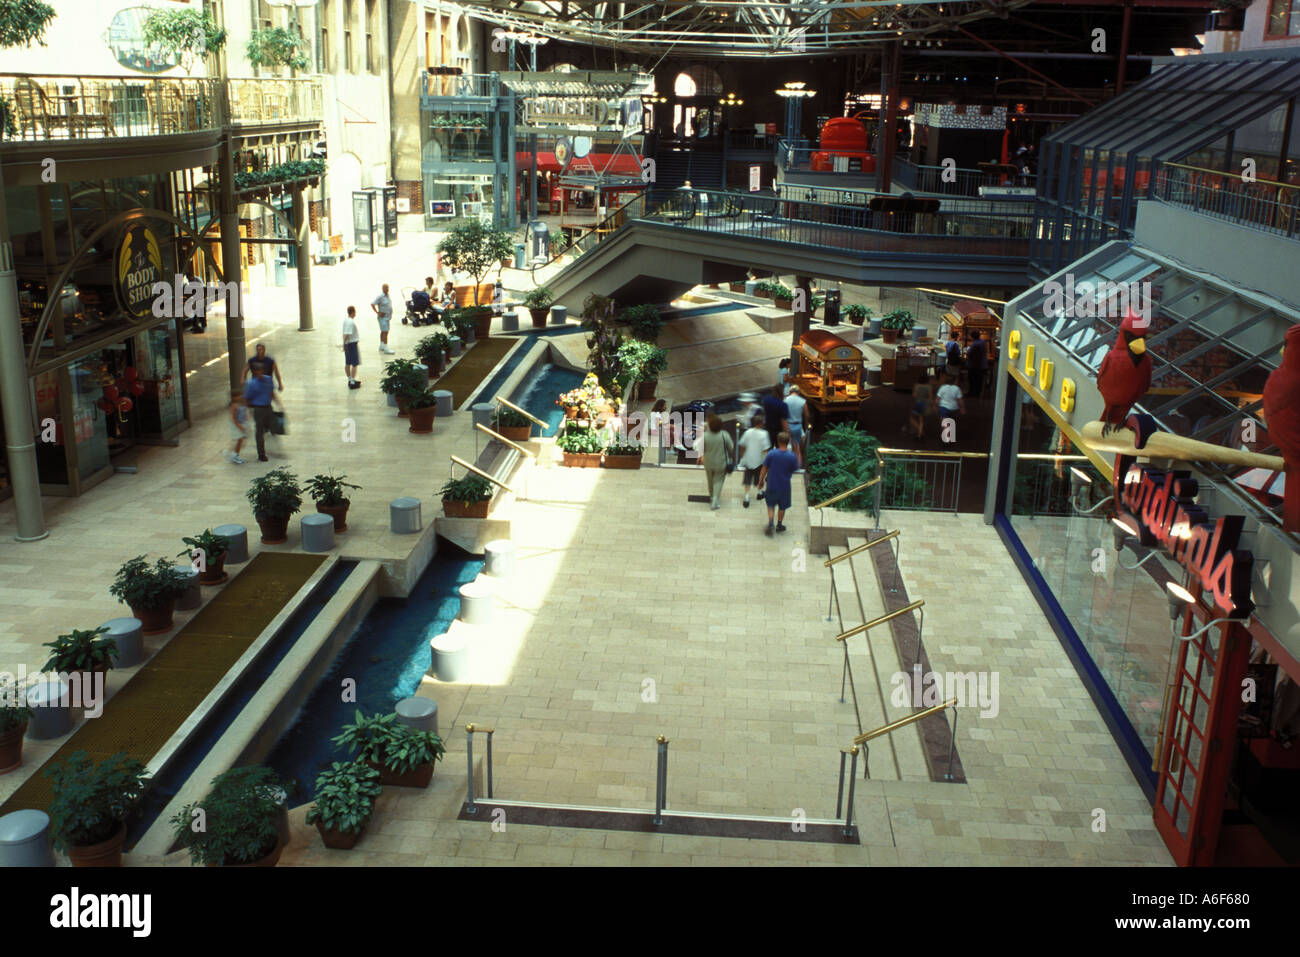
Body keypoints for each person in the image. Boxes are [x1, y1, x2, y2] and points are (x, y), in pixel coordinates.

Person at [759, 432, 799, 536]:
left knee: (771, 504)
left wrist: (761, 481)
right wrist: (797, 451)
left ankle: (771, 523)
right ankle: (779, 524)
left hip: (772, 484)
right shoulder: (791, 456)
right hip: (785, 486)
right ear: (788, 442)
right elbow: (795, 468)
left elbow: (764, 468)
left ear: (778, 441)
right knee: (782, 506)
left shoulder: (771, 454)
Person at [697, 413, 734, 510]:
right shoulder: (724, 435)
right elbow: (731, 448)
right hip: (721, 463)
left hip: (708, 462)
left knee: (710, 480)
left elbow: (699, 448)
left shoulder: (705, 436)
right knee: (718, 481)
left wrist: (700, 458)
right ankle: (715, 500)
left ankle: (711, 497)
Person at [242, 362, 276, 462]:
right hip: (258, 409)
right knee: (259, 431)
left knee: (272, 426)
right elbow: (247, 398)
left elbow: (272, 392)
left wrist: (278, 403)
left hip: (268, 407)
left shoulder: (268, 379)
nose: (260, 372)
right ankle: (261, 454)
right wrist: (248, 411)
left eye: (261, 370)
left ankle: (269, 436)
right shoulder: (251, 383)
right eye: (258, 371)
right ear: (254, 372)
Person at [738, 412, 771, 508]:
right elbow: (766, 449)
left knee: (747, 478)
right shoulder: (764, 434)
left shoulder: (747, 432)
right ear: (761, 423)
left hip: (749, 459)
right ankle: (759, 492)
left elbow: (742, 445)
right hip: (759, 460)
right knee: (760, 478)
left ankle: (746, 497)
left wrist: (743, 455)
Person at [761, 385, 789, 453]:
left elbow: (763, 413)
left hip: (767, 428)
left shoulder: (766, 400)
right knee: (780, 450)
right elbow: (783, 421)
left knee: (768, 449)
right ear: (782, 393)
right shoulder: (783, 405)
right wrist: (787, 433)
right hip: (778, 431)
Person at [785, 385, 808, 468]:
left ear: (790, 392)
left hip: (787, 425)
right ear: (798, 392)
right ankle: (797, 466)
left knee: (787, 446)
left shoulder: (785, 400)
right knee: (797, 447)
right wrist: (806, 427)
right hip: (798, 426)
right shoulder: (802, 401)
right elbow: (807, 415)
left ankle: (787, 465)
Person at [223, 390, 248, 464]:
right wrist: (240, 427)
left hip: (241, 423)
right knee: (240, 440)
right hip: (237, 425)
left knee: (241, 441)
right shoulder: (234, 406)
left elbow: (243, 412)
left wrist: (246, 418)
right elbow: (234, 418)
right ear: (234, 397)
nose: (240, 396)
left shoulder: (241, 403)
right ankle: (234, 455)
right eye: (238, 395)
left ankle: (231, 453)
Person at [371, 283, 394, 354]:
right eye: (385, 288)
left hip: (387, 317)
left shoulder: (388, 296)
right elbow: (372, 304)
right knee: (385, 332)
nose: (387, 289)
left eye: (388, 288)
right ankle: (386, 348)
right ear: (382, 289)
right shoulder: (380, 297)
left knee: (384, 331)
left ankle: (382, 345)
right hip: (383, 317)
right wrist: (377, 312)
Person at [910, 375, 935, 440]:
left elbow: (914, 395)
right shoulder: (929, 387)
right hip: (925, 404)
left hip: (918, 403)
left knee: (912, 418)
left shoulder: (917, 386)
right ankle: (920, 434)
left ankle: (920, 431)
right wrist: (932, 405)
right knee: (922, 420)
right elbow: (931, 396)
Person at [966, 329, 989, 399]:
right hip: (983, 365)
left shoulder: (975, 344)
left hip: (976, 366)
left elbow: (969, 354)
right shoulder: (983, 341)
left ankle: (972, 393)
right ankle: (978, 393)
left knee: (972, 379)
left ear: (972, 337)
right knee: (979, 381)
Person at [342, 305, 361, 388]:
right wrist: (344, 344)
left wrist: (344, 344)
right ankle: (352, 381)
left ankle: (349, 379)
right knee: (354, 363)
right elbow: (347, 334)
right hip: (352, 344)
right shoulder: (351, 322)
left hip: (348, 344)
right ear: (353, 312)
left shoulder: (346, 321)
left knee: (348, 363)